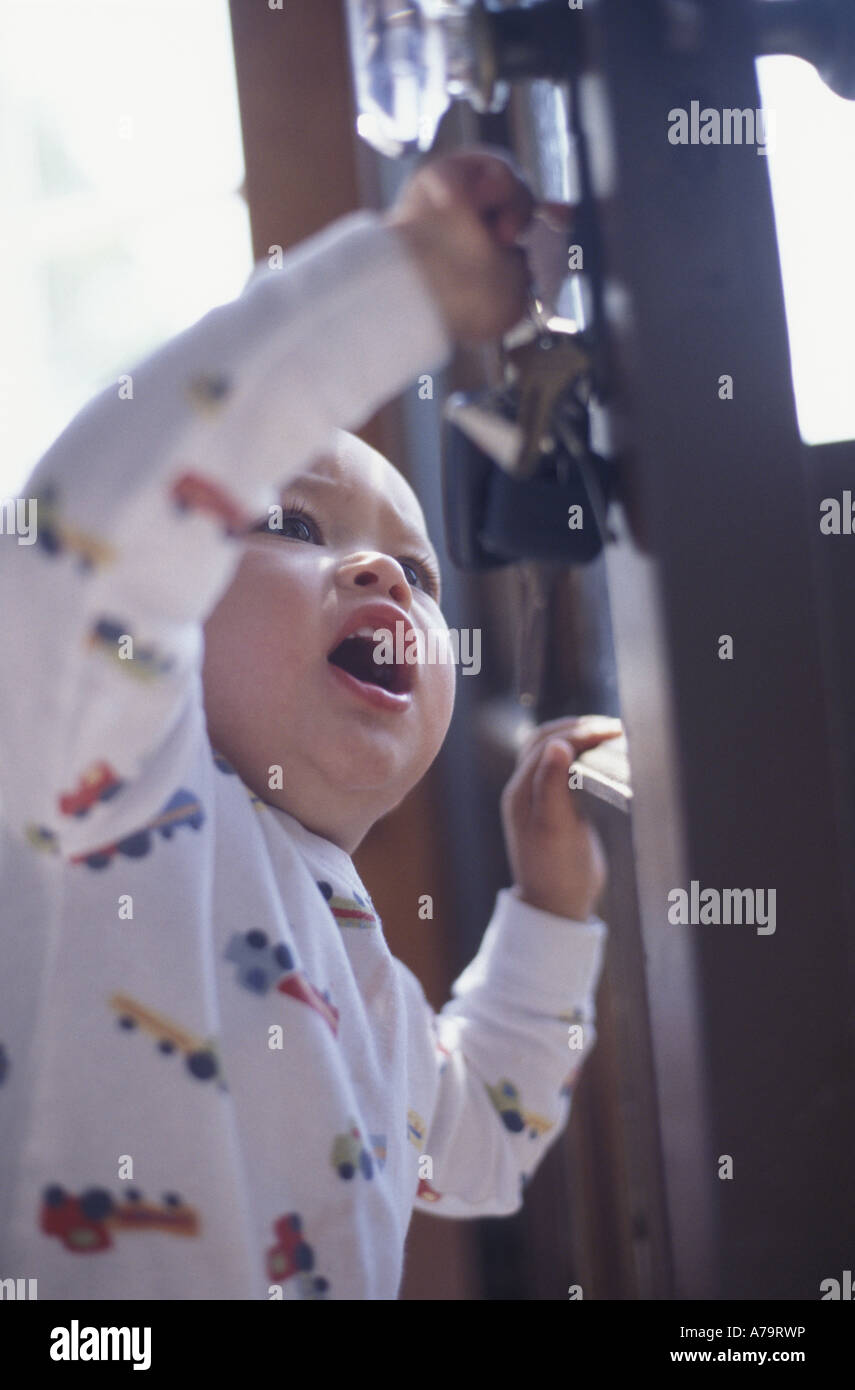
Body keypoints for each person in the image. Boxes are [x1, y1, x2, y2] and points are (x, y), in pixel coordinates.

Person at [0, 147, 620, 1299]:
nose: (382, 570)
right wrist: (404, 283)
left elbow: (480, 1136)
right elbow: (76, 558)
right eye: (293, 520)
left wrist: (550, 914)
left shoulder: (356, 964)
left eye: (423, 577)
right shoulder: (104, 774)